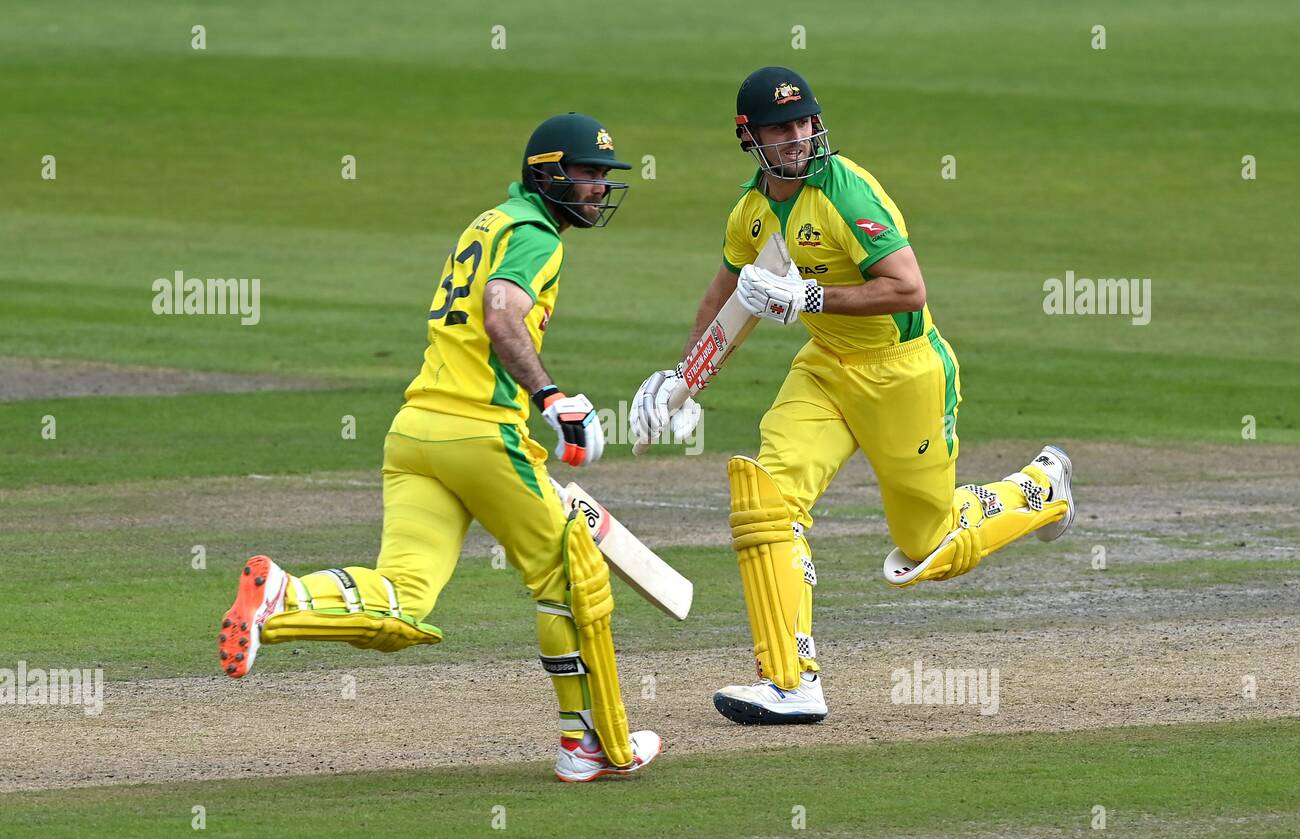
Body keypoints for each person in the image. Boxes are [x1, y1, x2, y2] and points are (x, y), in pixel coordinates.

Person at [220, 112, 661, 781]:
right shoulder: (538, 235)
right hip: (481, 434)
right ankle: (592, 745)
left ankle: (283, 597)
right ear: (547, 174)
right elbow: (500, 312)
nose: (598, 187)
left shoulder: (488, 221)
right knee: (572, 576)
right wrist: (553, 397)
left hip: (414, 435)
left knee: (403, 599)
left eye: (603, 175)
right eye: (587, 173)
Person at [630, 67, 1075, 726]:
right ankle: (791, 681)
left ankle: (1042, 487)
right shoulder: (752, 213)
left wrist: (808, 296)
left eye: (805, 122)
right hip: (826, 368)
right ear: (748, 136)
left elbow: (908, 288)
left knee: (926, 549)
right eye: (782, 128)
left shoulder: (846, 192)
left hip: (904, 372)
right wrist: (683, 376)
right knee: (767, 499)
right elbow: (727, 292)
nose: (800, 136)